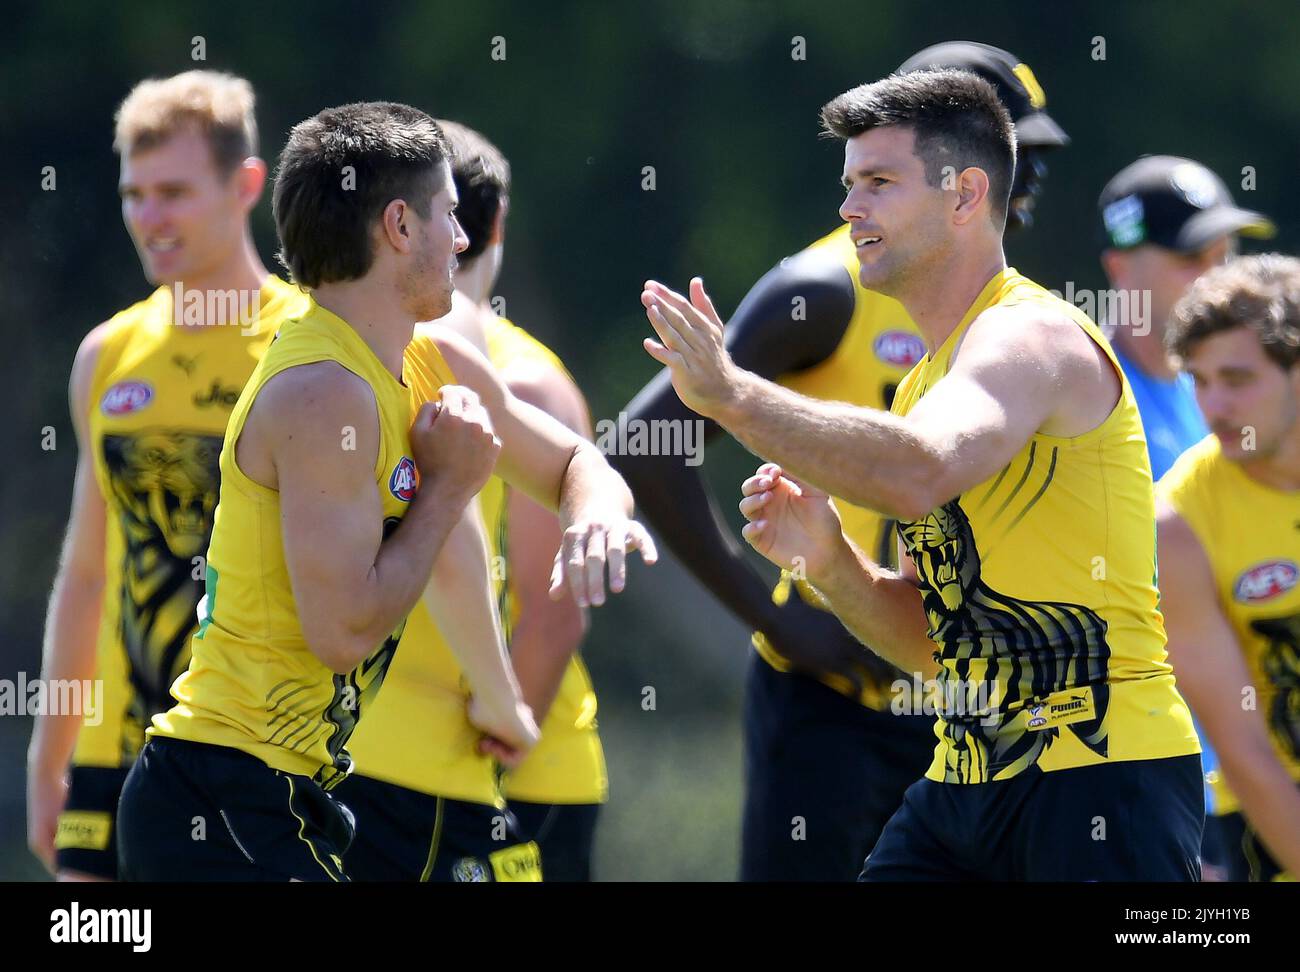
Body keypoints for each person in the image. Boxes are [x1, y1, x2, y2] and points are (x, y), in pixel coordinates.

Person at [651, 68, 1202, 880]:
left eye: (879, 182)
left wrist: (732, 396)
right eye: (847, 185)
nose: (849, 209)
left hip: (1098, 780)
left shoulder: (1030, 335)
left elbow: (920, 473)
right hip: (960, 788)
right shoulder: (923, 385)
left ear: (965, 195)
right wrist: (831, 564)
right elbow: (934, 647)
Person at [115, 102, 652, 881]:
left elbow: (573, 460)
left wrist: (595, 516)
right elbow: (345, 631)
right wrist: (447, 491)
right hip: (216, 794)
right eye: (449, 216)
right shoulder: (323, 391)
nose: (463, 241)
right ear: (399, 226)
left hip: (285, 792)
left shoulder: (428, 357)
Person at [614, 41, 1069, 881]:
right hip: (838, 707)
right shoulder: (824, 289)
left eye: (1028, 161)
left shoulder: (1009, 317)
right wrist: (776, 617)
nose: (1022, 186)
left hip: (965, 708)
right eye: (1011, 155)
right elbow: (648, 445)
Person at [26, 70, 310, 881]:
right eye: (134, 194)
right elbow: (87, 572)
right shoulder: (106, 356)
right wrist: (50, 753)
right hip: (114, 744)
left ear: (245, 185)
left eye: (175, 192)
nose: (150, 219)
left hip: (251, 751)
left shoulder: (310, 346)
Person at [341, 120, 608, 882]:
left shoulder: (521, 379)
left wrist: (500, 733)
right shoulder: (385, 355)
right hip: (416, 763)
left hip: (520, 765)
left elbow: (553, 609)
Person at [1097, 154, 1276, 877]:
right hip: (1141, 774)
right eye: (1188, 257)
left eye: (1222, 253)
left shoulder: (1227, 396)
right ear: (1118, 268)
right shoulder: (1084, 396)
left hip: (1242, 761)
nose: (1216, 275)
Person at [1156, 253, 1300, 880]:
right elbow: (1241, 750)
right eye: (1199, 379)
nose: (1213, 405)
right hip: (1276, 821)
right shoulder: (1179, 520)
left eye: (1237, 378)